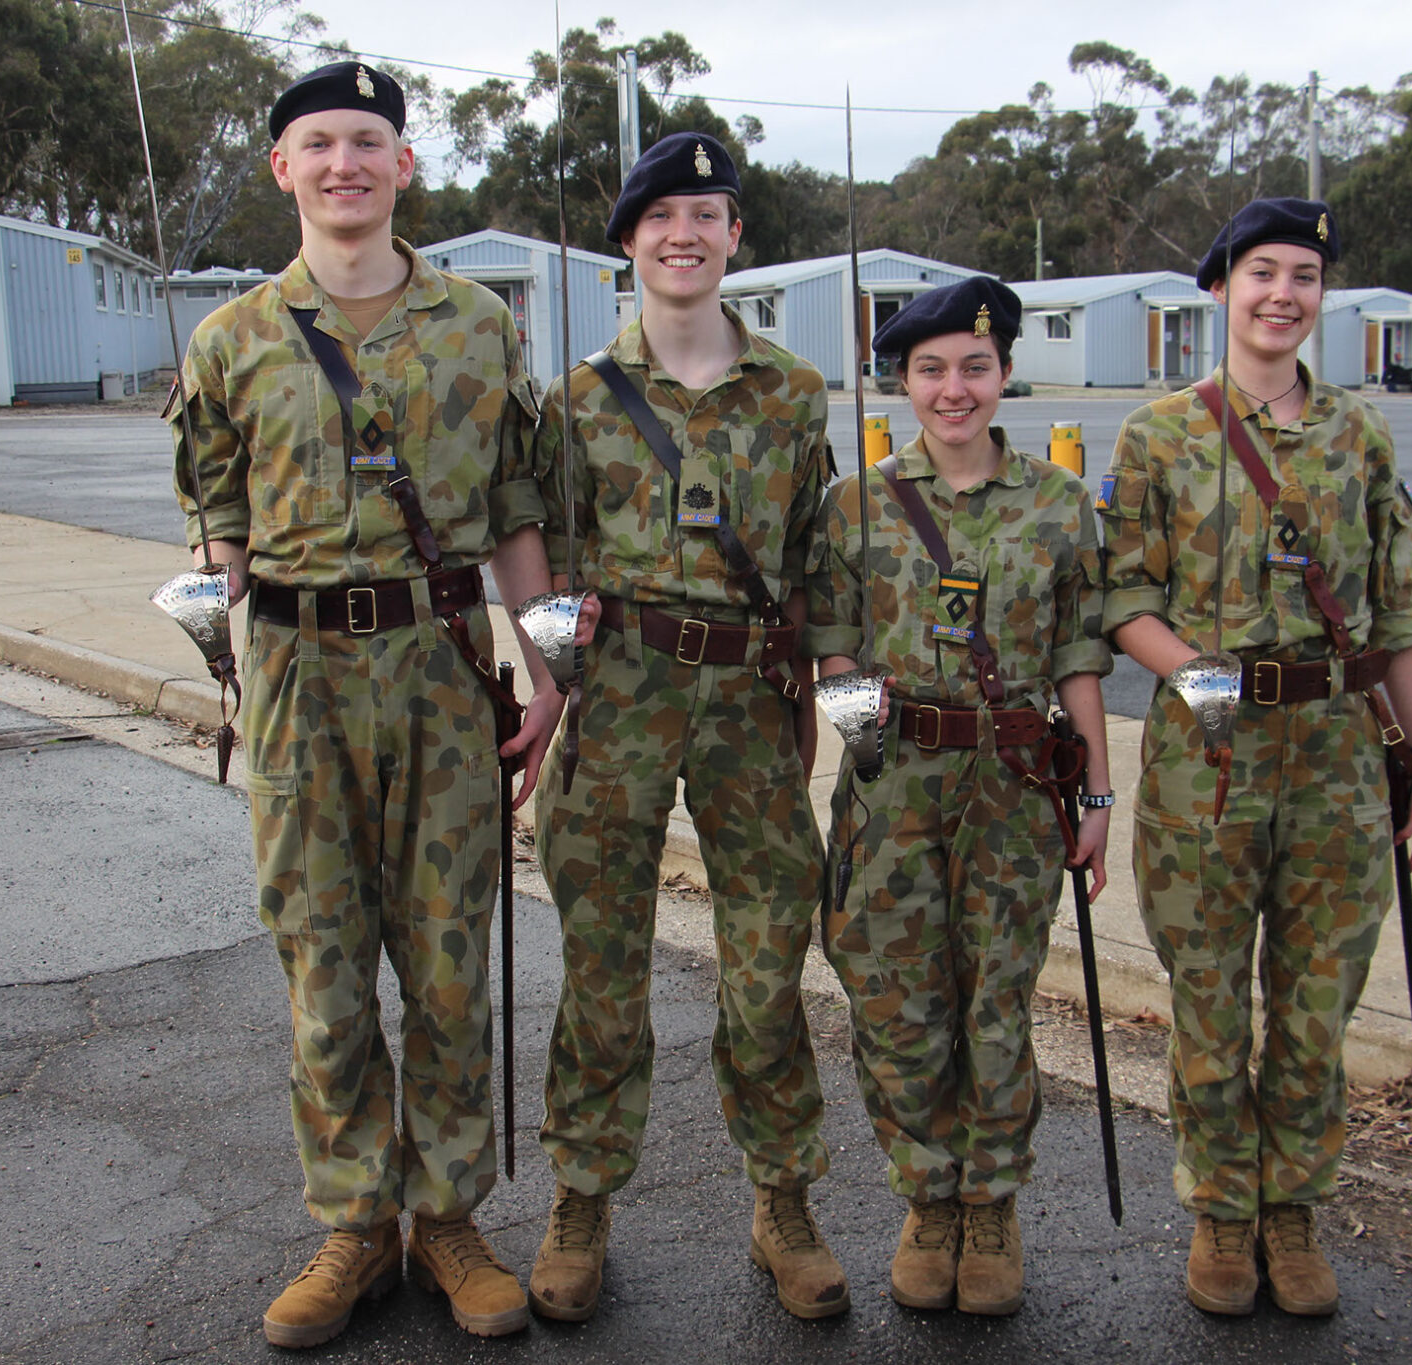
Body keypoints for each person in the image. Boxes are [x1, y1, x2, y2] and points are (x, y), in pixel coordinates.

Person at [170, 60, 565, 1346]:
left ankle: (446, 1215)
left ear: (405, 166)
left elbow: (514, 511)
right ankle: (354, 1221)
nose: (346, 163)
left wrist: (543, 665)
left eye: (370, 143)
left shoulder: (478, 326)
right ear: (282, 168)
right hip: (295, 679)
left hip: (443, 670)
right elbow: (218, 525)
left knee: (449, 959)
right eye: (319, 144)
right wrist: (212, 624)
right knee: (322, 962)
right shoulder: (229, 340)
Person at [1099, 197, 1412, 1319]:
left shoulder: (1358, 434)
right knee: (1207, 999)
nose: (1282, 293)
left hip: (1339, 756)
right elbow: (1121, 597)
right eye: (1261, 272)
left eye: (1303, 274)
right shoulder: (1156, 434)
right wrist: (1198, 679)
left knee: (1313, 1004)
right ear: (1218, 288)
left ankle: (1290, 1210)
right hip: (1208, 755)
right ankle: (1218, 1212)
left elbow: (1397, 607)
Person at [526, 131, 845, 1323]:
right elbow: (546, 563)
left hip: (752, 700)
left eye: (705, 214)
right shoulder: (573, 402)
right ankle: (580, 1201)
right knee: (601, 967)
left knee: (767, 965)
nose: (682, 235)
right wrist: (550, 679)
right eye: (661, 217)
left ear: (733, 239)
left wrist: (812, 698)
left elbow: (813, 565)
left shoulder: (796, 396)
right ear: (628, 241)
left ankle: (783, 1201)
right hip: (619, 695)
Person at [806, 278, 1113, 1317]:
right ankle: (924, 1195)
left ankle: (989, 1203)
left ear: (1004, 374)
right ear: (900, 381)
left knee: (994, 997)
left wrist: (1099, 797)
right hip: (895, 776)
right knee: (893, 998)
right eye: (930, 371)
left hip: (1017, 785)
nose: (953, 390)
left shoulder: (1058, 504)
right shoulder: (854, 503)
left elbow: (1079, 657)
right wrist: (867, 741)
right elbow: (830, 636)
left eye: (973, 368)